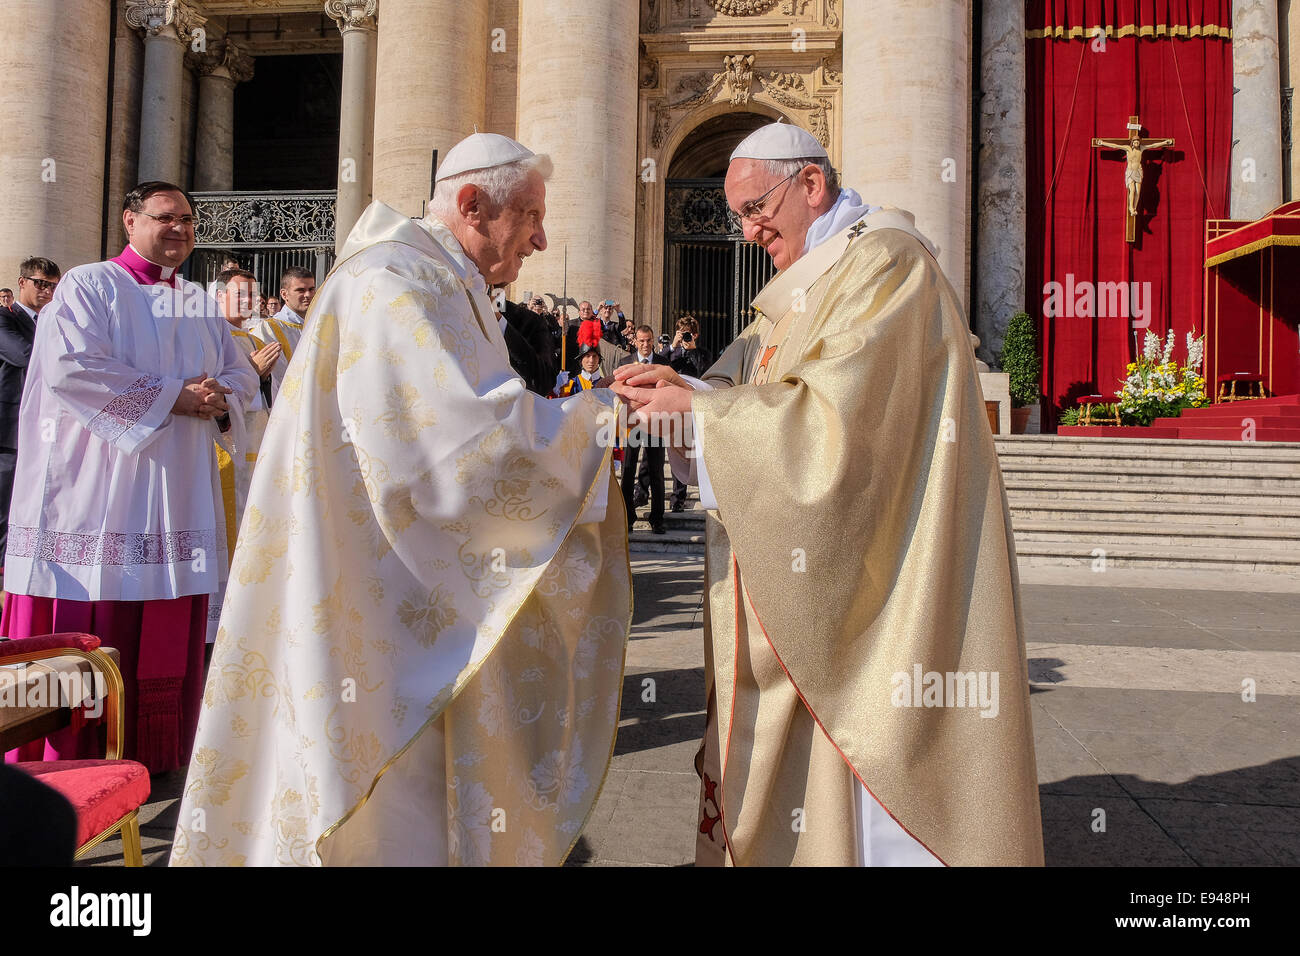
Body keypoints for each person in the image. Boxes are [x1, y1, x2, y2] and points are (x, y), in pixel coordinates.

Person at [172, 133, 631, 867]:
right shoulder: (396, 281)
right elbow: (450, 450)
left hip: (409, 583)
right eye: (533, 216)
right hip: (377, 598)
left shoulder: (444, 280)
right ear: (474, 205)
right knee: (391, 815)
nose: (543, 238)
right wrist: (598, 417)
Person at [612, 122, 1043, 866]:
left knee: (869, 814)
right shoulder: (808, 285)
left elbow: (843, 430)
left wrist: (706, 416)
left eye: (755, 209)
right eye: (738, 216)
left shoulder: (887, 265)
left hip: (880, 609)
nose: (748, 233)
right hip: (820, 599)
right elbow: (751, 387)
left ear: (811, 185)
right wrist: (684, 392)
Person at [2, 181, 260, 774]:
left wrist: (221, 395)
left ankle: (156, 750)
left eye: (189, 220)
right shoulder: (89, 285)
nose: (180, 229)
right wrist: (174, 398)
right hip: (99, 489)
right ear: (129, 220)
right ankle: (77, 753)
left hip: (178, 485)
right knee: (97, 606)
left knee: (168, 613)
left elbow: (239, 371)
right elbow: (73, 368)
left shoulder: (196, 299)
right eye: (165, 217)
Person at [0, 257, 60, 556]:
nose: (47, 291)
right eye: (40, 283)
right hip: (7, 431)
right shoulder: (4, 317)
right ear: (22, 282)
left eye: (53, 286)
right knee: (4, 508)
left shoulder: (52, 322)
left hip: (42, 429)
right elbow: (24, 355)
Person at [617, 326, 669, 535]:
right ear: (635, 342)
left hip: (656, 424)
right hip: (632, 424)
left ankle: (657, 519)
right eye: (641, 341)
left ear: (653, 340)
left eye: (648, 341)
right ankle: (627, 517)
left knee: (656, 471)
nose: (645, 345)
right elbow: (619, 392)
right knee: (628, 470)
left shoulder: (664, 364)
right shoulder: (624, 363)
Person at [247, 266, 315, 398]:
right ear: (284, 294)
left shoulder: (319, 325)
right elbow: (275, 377)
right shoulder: (269, 329)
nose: (308, 295)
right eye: (300, 290)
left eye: (311, 289)